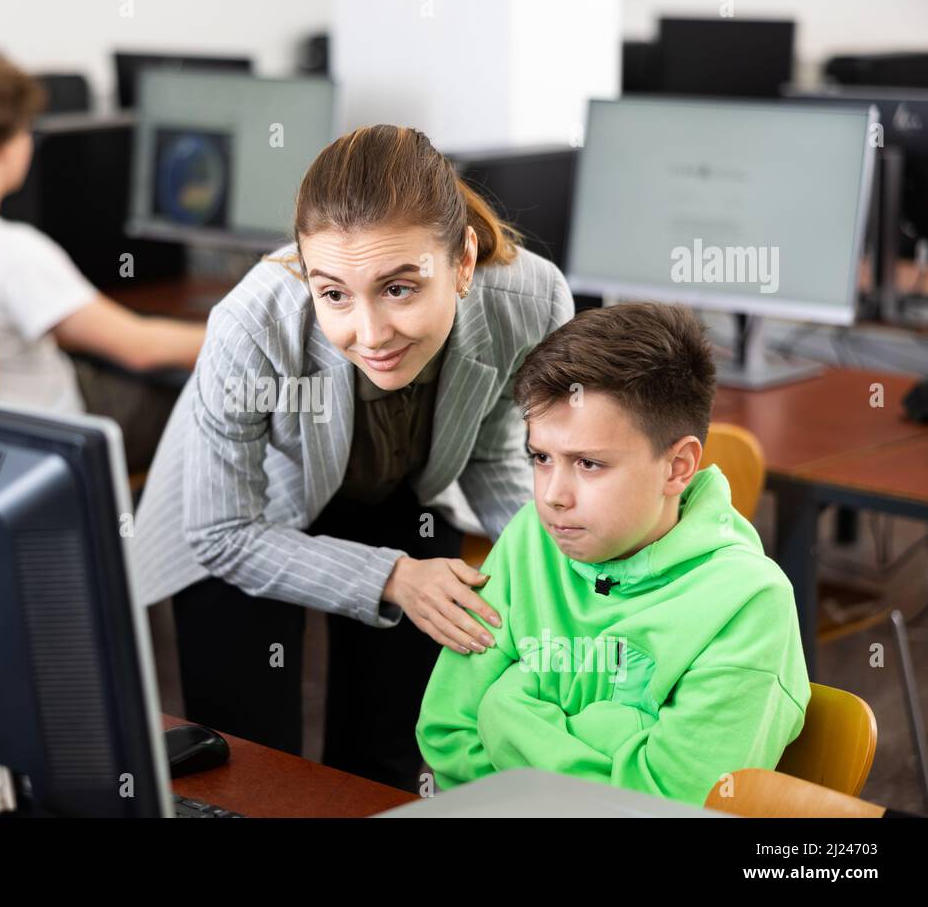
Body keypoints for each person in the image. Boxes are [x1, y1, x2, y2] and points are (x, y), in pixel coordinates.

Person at [131, 124, 575, 790]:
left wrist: (566, 560)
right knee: (250, 771)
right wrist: (393, 577)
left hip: (400, 490)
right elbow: (224, 533)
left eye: (399, 288)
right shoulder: (251, 324)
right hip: (251, 512)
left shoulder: (531, 303)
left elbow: (489, 453)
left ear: (461, 263)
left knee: (386, 760)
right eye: (333, 293)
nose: (370, 335)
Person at [416, 302, 810, 805]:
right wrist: (618, 732)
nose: (553, 495)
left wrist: (506, 709)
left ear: (678, 467)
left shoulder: (749, 605)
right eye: (540, 458)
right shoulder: (531, 539)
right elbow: (446, 737)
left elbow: (665, 803)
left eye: (589, 463)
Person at [0, 55, 203, 472]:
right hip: (53, 441)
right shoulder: (13, 252)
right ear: (5, 144)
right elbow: (140, 349)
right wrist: (235, 333)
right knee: (200, 399)